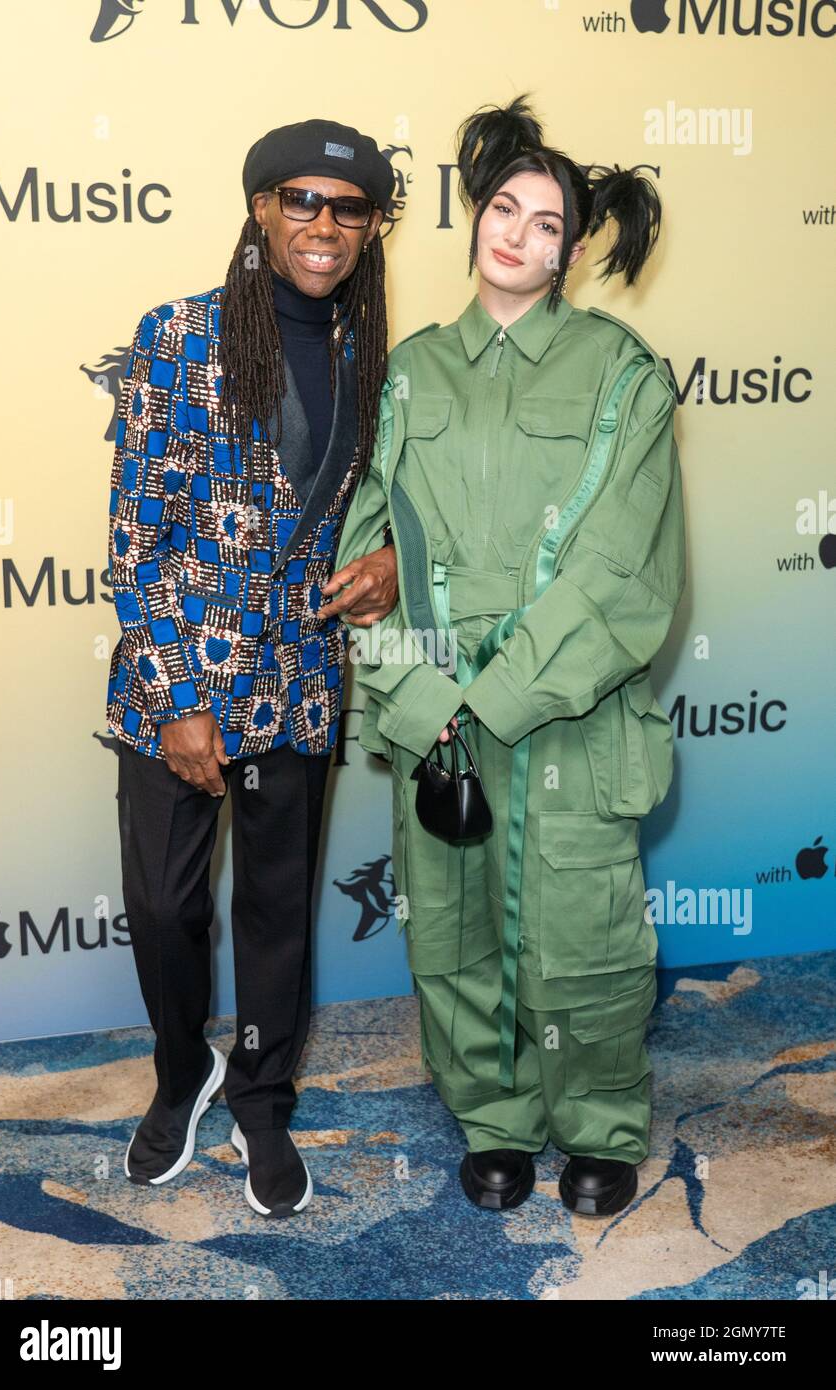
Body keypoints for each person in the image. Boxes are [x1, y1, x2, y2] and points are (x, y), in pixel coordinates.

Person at [322, 96, 686, 1218]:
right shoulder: (412, 373)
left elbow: (624, 567)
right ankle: (493, 1120)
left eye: (543, 222)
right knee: (455, 931)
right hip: (436, 719)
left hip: (566, 716)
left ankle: (597, 1123)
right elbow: (361, 545)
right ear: (474, 217)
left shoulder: (622, 371)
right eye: (500, 208)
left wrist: (490, 693)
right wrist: (423, 694)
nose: (514, 234)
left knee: (581, 939)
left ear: (572, 249)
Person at [107, 118, 401, 1218]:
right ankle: (183, 1075)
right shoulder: (177, 335)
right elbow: (134, 542)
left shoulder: (377, 357)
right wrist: (183, 699)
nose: (323, 225)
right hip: (172, 683)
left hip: (302, 679)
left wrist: (389, 565)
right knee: (165, 906)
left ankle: (263, 1097)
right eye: (300, 200)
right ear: (261, 210)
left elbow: (394, 514)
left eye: (348, 208)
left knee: (277, 908)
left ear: (371, 230)